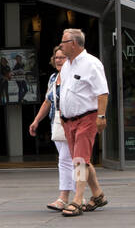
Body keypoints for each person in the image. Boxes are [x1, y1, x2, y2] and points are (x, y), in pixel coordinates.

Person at [56, 28, 109, 217]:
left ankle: (77, 200)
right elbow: (65, 90)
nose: (61, 45)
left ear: (74, 44)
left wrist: (101, 116)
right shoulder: (68, 65)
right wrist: (62, 115)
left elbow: (102, 92)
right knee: (82, 160)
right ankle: (98, 195)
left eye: (63, 41)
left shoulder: (91, 63)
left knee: (79, 161)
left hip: (86, 117)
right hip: (69, 120)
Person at [29, 47, 73, 212]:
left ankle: (65, 198)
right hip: (56, 123)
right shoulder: (53, 78)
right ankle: (84, 195)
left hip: (72, 121)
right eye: (56, 57)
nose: (59, 60)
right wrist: (36, 120)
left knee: (67, 161)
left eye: (62, 57)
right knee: (70, 161)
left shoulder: (73, 77)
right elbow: (48, 102)